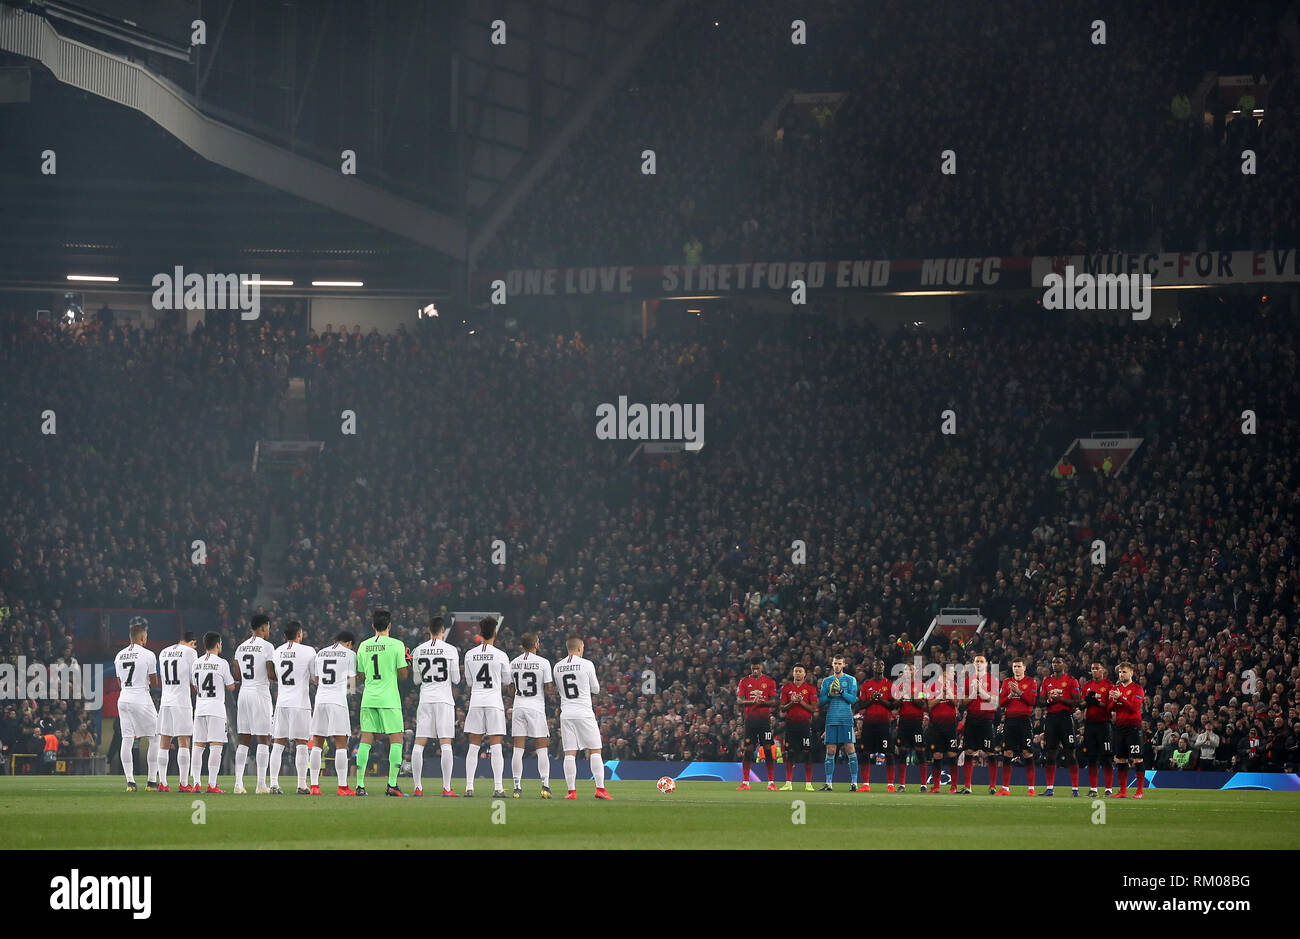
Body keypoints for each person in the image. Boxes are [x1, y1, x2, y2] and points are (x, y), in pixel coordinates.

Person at [356, 609, 409, 797]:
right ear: (389, 625)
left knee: (366, 740)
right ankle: (392, 785)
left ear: (372, 626)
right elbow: (403, 675)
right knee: (396, 740)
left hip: (369, 698)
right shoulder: (397, 645)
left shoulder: (363, 646)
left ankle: (360, 785)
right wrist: (407, 661)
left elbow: (360, 677)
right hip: (389, 699)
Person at [553, 634, 612, 800]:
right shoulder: (587, 664)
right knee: (595, 750)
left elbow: (559, 689)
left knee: (570, 753)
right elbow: (596, 689)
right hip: (584, 712)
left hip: (566, 713)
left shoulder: (557, 666)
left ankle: (571, 792)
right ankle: (600, 789)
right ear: (580, 648)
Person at [411, 616, 462, 797]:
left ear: (428, 629)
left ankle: (418, 787)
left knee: (419, 743)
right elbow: (456, 679)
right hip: (444, 700)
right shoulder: (450, 650)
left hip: (425, 699)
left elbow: (417, 680)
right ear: (443, 630)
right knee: (445, 742)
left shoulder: (419, 650)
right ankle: (446, 788)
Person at [462, 616, 510, 798]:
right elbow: (506, 680)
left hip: (476, 701)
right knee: (496, 746)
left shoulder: (469, 654)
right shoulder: (501, 655)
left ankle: (469, 787)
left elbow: (469, 681)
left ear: (480, 633)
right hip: (494, 703)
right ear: (495, 633)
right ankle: (498, 788)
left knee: (473, 746)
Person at [113, 617, 160, 793]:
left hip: (123, 698)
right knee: (155, 736)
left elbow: (119, 682)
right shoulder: (148, 655)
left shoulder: (119, 655)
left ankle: (130, 783)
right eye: (145, 636)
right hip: (141, 696)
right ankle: (151, 782)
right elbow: (154, 683)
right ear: (142, 638)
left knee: (126, 738)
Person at [231, 614, 277, 794]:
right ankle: (260, 785)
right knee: (264, 738)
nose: (269, 631)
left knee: (243, 739)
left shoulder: (240, 648)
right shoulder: (267, 647)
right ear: (263, 628)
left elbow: (236, 676)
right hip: (260, 692)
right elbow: (270, 673)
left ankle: (238, 784)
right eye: (268, 628)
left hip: (244, 693)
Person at [270, 620, 316, 795]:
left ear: (284, 636)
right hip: (300, 703)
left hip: (282, 702)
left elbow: (274, 675)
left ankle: (274, 783)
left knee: (278, 743)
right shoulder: (309, 651)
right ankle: (302, 785)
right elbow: (313, 677)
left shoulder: (277, 651)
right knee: (302, 743)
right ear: (299, 634)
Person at [308, 630, 357, 795]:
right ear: (349, 643)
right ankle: (342, 787)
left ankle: (314, 786)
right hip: (337, 700)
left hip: (320, 699)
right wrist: (350, 694)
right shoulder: (350, 654)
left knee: (317, 744)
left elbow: (317, 679)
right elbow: (351, 685)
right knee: (341, 743)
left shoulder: (320, 653)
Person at [508, 631, 554, 798]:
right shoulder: (543, 663)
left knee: (518, 749)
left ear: (522, 645)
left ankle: (517, 787)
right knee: (542, 748)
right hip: (535, 708)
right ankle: (545, 786)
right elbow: (549, 689)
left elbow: (511, 689)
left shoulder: (513, 663)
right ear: (536, 644)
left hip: (519, 707)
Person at [191, 632, 235, 794]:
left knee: (198, 746)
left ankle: (196, 783)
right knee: (216, 746)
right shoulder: (222, 663)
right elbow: (230, 686)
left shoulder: (196, 663)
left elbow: (194, 684)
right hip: (216, 708)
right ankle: (212, 784)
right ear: (218, 644)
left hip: (200, 708)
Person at [157, 632, 198, 792]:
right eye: (195, 644)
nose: (195, 648)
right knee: (184, 741)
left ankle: (163, 782)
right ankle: (183, 783)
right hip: (181, 702)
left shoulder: (163, 652)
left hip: (165, 700)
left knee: (164, 742)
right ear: (192, 642)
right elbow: (194, 679)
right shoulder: (190, 652)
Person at [1039, 656, 1082, 796]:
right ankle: (1050, 788)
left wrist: (1060, 699)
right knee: (1050, 753)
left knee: (1071, 753)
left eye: (1058, 662)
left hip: (1066, 719)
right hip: (1051, 719)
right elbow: (1040, 702)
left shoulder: (1071, 680)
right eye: (1053, 662)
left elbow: (1077, 702)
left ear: (1064, 664)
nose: (1055, 664)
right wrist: (1049, 700)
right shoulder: (1047, 681)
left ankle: (1075, 789)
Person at [735, 656, 778, 790]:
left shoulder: (769, 681)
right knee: (748, 750)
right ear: (750, 668)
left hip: (764, 721)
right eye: (753, 668)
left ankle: (771, 783)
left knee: (767, 750)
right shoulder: (744, 681)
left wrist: (763, 702)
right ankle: (746, 783)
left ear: (761, 667)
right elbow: (740, 700)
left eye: (757, 668)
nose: (755, 670)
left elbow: (774, 701)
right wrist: (753, 701)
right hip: (750, 721)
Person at [997, 657, 1037, 795]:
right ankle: (1005, 788)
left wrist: (1019, 692)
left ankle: (1031, 788)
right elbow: (1001, 703)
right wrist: (1010, 695)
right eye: (1014, 667)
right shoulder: (1007, 682)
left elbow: (1031, 701)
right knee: (1007, 752)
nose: (1016, 669)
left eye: (1019, 666)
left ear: (1024, 668)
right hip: (1010, 721)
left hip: (1024, 721)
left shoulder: (1031, 682)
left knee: (1027, 753)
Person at [818, 654, 859, 791]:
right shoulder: (827, 681)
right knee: (830, 750)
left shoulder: (851, 680)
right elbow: (821, 702)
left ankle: (854, 783)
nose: (837, 666)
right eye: (835, 663)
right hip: (831, 719)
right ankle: (828, 783)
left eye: (839, 663)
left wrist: (841, 691)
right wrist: (829, 694)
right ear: (832, 664)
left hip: (846, 719)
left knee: (850, 749)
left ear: (844, 665)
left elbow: (852, 700)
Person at [959, 653, 998, 794]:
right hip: (971, 720)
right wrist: (973, 693)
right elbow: (962, 703)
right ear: (974, 664)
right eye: (977, 661)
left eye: (982, 661)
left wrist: (981, 691)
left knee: (990, 753)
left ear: (986, 664)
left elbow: (994, 702)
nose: (979, 663)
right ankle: (968, 786)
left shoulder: (992, 680)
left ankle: (992, 786)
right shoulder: (967, 680)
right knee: (968, 752)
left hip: (986, 720)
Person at [854, 659, 894, 792]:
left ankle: (890, 785)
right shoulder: (866, 685)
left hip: (884, 723)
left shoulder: (889, 684)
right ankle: (866, 784)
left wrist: (880, 699)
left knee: (888, 753)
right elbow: (861, 705)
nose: (878, 667)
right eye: (876, 664)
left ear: (884, 667)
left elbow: (892, 705)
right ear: (872, 667)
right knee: (865, 752)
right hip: (869, 724)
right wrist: (872, 699)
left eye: (881, 664)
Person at [778, 664, 817, 791]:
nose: (798, 673)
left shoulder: (810, 688)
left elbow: (813, 708)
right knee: (790, 753)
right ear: (793, 673)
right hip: (791, 725)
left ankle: (808, 783)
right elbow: (782, 708)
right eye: (796, 671)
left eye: (800, 671)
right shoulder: (787, 688)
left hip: (805, 725)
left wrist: (800, 702)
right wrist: (792, 701)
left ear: (804, 674)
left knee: (807, 753)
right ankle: (788, 783)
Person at [1110, 661, 1146, 798]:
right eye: (1120, 672)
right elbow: (1110, 709)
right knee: (1121, 760)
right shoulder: (1116, 688)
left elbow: (1134, 708)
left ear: (1131, 673)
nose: (1121, 674)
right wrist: (1112, 701)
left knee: (1137, 759)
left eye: (1124, 672)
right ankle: (1123, 791)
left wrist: (1121, 698)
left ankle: (1140, 791)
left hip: (1133, 728)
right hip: (1119, 728)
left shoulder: (1137, 689)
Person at [1080, 661, 1115, 797]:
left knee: (1106, 758)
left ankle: (1108, 789)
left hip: (1104, 725)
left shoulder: (1109, 686)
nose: (1094, 671)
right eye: (1092, 669)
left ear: (1103, 670)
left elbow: (1110, 707)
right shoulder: (1087, 686)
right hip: (1090, 725)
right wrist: (1088, 701)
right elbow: (1081, 705)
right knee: (1091, 758)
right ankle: (1093, 789)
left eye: (1097, 668)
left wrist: (1096, 702)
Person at [926, 669, 960, 794]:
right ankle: (936, 786)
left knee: (952, 754)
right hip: (936, 726)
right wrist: (940, 695)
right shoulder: (932, 686)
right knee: (937, 755)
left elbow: (957, 703)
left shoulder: (954, 685)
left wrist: (949, 693)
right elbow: (929, 705)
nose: (954, 674)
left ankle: (954, 786)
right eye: (951, 672)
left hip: (950, 726)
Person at [893, 661, 925, 792]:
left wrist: (910, 694)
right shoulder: (899, 686)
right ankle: (902, 785)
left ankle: (923, 785)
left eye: (910, 670)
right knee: (903, 752)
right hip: (904, 723)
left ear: (915, 672)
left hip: (916, 723)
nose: (907, 673)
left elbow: (922, 704)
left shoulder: (921, 686)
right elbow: (895, 706)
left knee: (920, 752)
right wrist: (900, 698)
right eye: (905, 670)